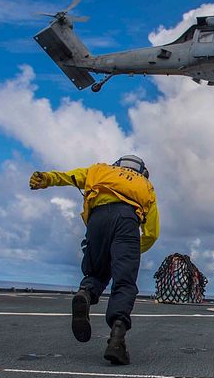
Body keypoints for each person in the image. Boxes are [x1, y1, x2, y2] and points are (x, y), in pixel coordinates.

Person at [29, 155, 159, 366]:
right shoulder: (145, 185)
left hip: (97, 220)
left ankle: (85, 293)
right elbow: (152, 232)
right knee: (124, 282)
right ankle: (117, 339)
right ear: (142, 170)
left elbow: (70, 177)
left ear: (117, 165)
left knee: (96, 272)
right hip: (127, 221)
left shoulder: (100, 170)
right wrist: (131, 250)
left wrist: (47, 178)